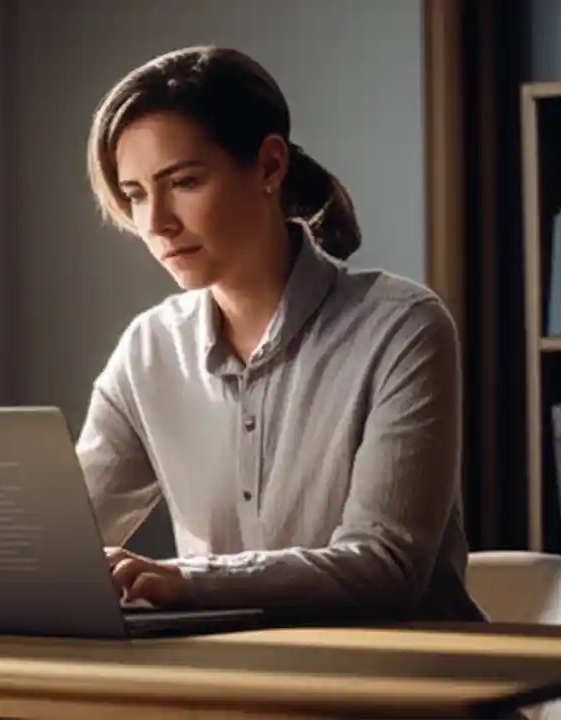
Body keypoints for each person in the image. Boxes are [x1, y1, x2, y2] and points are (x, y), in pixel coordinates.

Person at [79, 46, 484, 621]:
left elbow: (386, 567)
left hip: (405, 688)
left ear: (269, 166)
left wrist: (187, 579)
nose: (155, 223)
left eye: (185, 182)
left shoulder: (402, 327)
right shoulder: (149, 349)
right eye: (137, 194)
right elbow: (59, 540)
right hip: (237, 690)